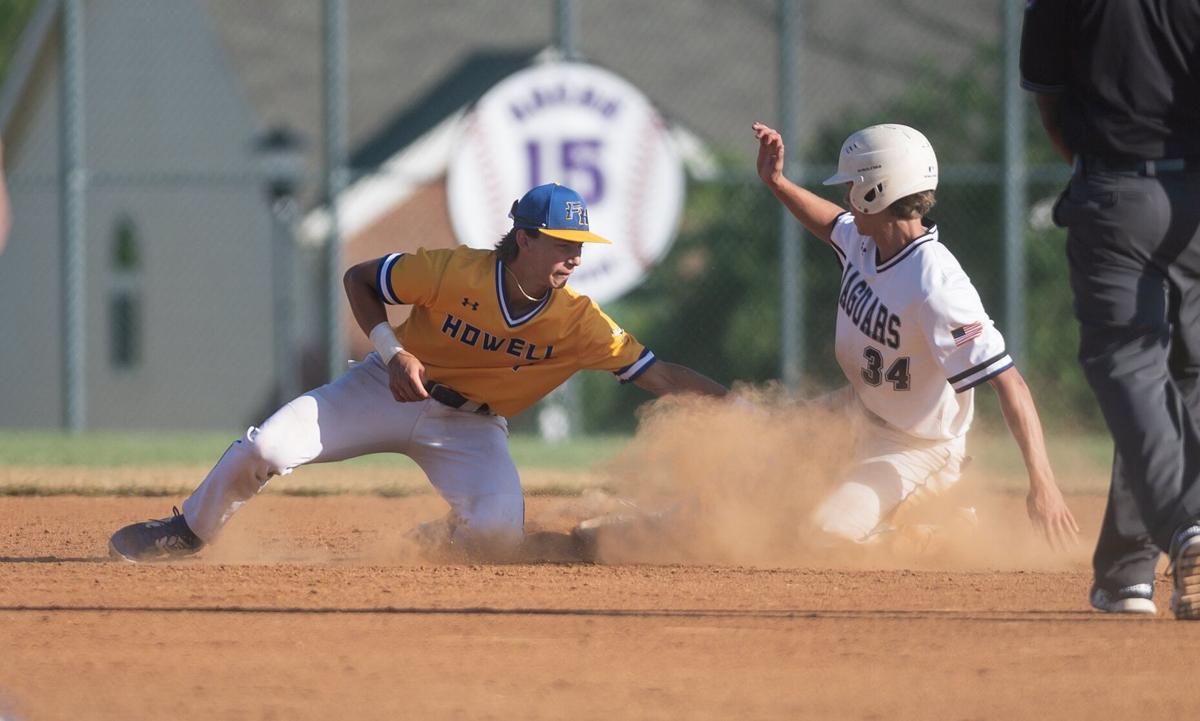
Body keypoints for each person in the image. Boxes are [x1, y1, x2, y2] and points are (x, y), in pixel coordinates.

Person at [108, 183, 728, 562]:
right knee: (266, 446)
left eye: (580, 243)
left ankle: (445, 539)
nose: (575, 253)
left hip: (471, 429)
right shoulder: (452, 269)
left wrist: (740, 407)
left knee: (496, 540)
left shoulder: (580, 321)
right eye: (562, 240)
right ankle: (187, 531)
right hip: (385, 389)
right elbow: (360, 279)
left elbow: (660, 374)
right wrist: (389, 350)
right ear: (523, 238)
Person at [751, 121, 1079, 556]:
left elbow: (1009, 382)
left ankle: (937, 526)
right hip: (857, 410)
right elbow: (830, 222)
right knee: (759, 451)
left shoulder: (935, 285)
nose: (846, 194)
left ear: (876, 192)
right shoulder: (867, 242)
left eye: (852, 184)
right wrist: (776, 183)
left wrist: (1044, 485)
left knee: (821, 538)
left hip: (914, 448)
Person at [1021, 0, 1200, 618]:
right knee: (1185, 370)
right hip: (1195, 199)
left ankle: (1189, 524)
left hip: (1114, 189)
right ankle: (1128, 570)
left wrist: (1105, 176)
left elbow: (1050, 104)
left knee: (1129, 362)